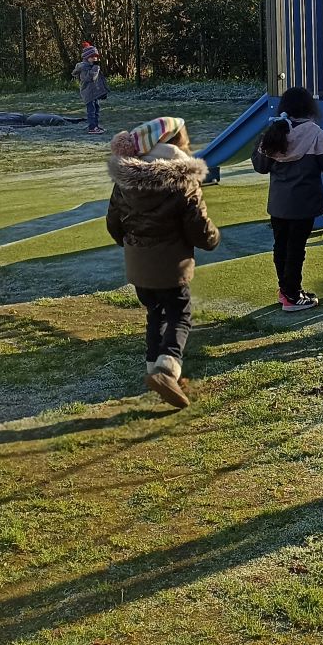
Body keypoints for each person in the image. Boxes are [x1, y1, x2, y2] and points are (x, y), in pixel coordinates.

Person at [106, 116, 220, 410]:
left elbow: (113, 223)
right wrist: (212, 239)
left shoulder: (124, 183)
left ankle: (152, 367)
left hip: (138, 263)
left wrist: (132, 246)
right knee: (180, 314)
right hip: (172, 264)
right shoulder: (183, 182)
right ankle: (168, 369)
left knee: (155, 313)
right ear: (176, 143)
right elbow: (199, 228)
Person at [252, 86, 323, 312]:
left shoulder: (275, 131)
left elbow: (260, 166)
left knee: (282, 247)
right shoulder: (315, 133)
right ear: (310, 108)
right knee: (296, 249)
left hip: (278, 204)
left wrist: (261, 141)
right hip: (304, 204)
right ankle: (293, 295)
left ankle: (286, 290)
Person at [75, 44, 107, 134]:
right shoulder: (84, 68)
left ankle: (96, 126)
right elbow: (90, 78)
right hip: (88, 93)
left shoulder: (93, 67)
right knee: (91, 111)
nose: (95, 59)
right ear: (86, 58)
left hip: (94, 93)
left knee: (96, 109)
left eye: (96, 57)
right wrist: (95, 69)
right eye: (92, 57)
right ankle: (92, 128)